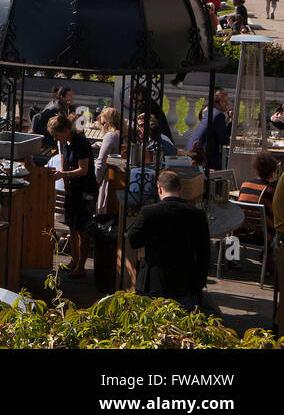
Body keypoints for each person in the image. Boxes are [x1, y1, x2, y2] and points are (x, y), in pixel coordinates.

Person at [126, 170, 210, 310]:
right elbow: (204, 254)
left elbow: (133, 240)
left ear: (159, 188)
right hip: (185, 285)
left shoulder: (149, 212)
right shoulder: (197, 215)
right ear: (180, 189)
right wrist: (198, 284)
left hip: (152, 284)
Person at [48, 113, 96, 278]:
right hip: (72, 190)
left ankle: (81, 266)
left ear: (66, 130)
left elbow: (83, 170)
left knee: (83, 229)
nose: (55, 139)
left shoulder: (80, 143)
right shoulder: (66, 143)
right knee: (72, 228)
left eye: (56, 135)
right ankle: (74, 261)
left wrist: (64, 175)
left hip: (84, 191)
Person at [184, 88, 231, 170]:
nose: (227, 104)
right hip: (203, 157)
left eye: (227, 101)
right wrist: (231, 121)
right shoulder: (218, 115)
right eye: (224, 102)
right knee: (231, 161)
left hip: (192, 152)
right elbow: (224, 140)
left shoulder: (210, 111)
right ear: (216, 104)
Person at [237, 152, 276, 235]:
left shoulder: (244, 186)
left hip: (242, 235)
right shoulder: (270, 190)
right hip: (264, 237)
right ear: (273, 172)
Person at [94, 107, 124, 214]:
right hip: (121, 177)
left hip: (109, 178)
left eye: (103, 123)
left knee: (104, 211)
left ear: (109, 123)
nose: (102, 126)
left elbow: (101, 162)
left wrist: (95, 181)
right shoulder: (123, 135)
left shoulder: (110, 136)